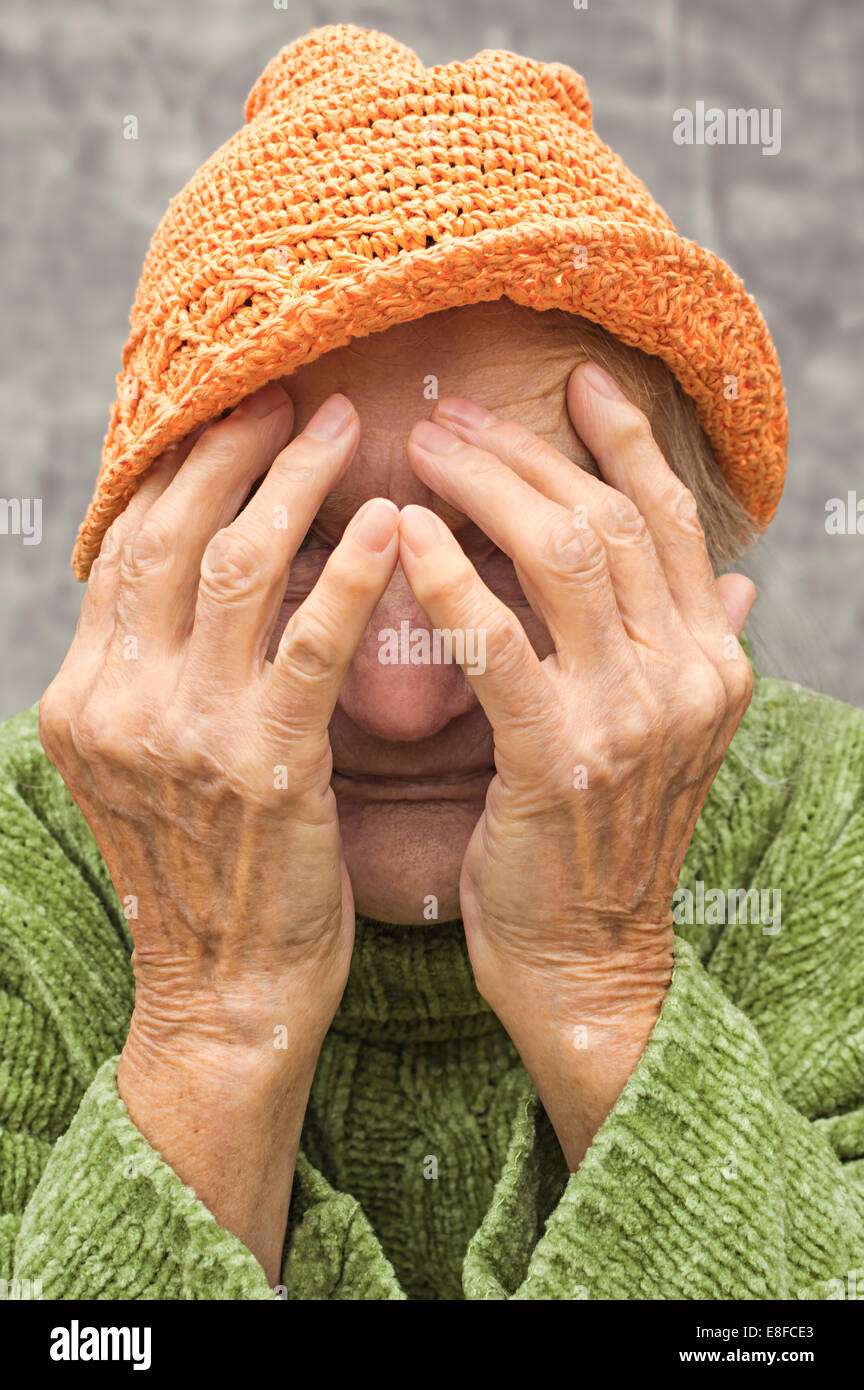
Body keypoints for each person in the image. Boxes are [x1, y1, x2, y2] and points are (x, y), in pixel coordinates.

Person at [2, 24, 862, 1301]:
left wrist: (605, 982)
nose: (403, 699)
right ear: (168, 564)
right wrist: (214, 1022)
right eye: (302, 548)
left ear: (673, 541)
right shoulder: (28, 867)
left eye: (507, 545)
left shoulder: (831, 827)